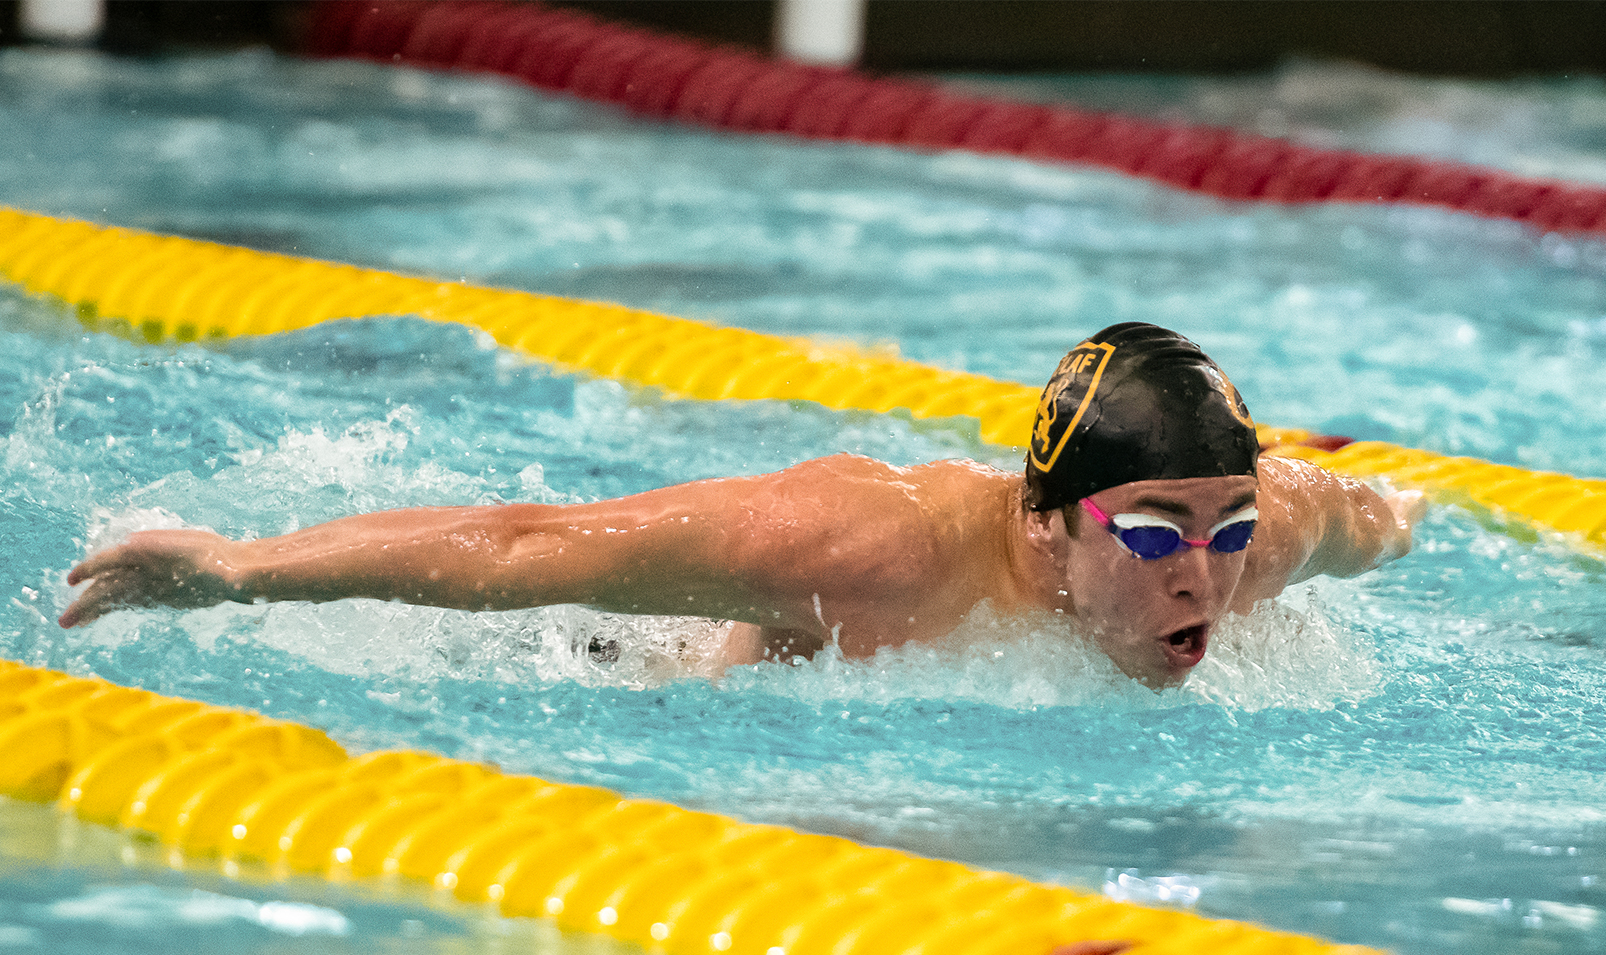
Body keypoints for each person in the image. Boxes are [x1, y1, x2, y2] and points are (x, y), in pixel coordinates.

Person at [60, 323, 1422, 687]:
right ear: (1048, 517)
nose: (1204, 576)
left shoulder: (1271, 533)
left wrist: (1403, 510)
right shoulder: (868, 548)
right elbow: (535, 548)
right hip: (659, 680)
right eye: (1153, 533)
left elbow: (1376, 511)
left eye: (1223, 530)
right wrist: (242, 570)